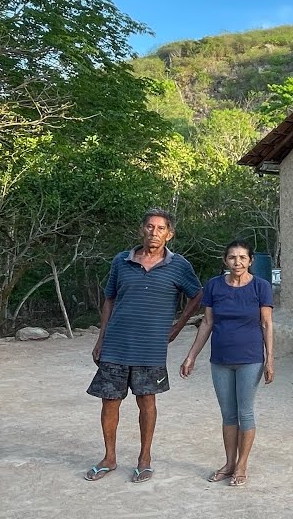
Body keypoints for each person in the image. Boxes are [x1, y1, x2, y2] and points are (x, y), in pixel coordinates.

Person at [84, 208, 204, 484]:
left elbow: (197, 294)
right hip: (116, 343)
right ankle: (109, 458)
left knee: (147, 402)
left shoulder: (179, 266)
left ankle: (144, 459)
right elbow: (109, 299)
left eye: (161, 228)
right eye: (150, 227)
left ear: (169, 234)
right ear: (142, 230)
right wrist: (101, 338)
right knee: (109, 402)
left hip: (150, 347)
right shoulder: (121, 261)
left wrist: (178, 326)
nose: (154, 233)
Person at [180, 239, 274, 487]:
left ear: (250, 261)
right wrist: (191, 356)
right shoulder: (214, 286)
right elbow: (207, 323)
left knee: (245, 412)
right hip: (220, 359)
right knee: (228, 414)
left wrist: (270, 359)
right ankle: (229, 463)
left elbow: (267, 323)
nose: (237, 262)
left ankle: (242, 465)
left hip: (250, 359)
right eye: (232, 257)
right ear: (225, 261)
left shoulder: (261, 287)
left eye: (242, 257)